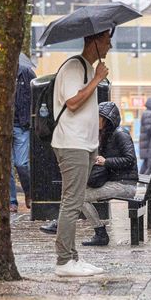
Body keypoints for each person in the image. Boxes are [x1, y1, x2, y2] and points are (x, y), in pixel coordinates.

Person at [51, 29, 111, 277]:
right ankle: (64, 260)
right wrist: (97, 79)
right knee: (72, 201)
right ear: (94, 42)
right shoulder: (74, 66)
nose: (109, 46)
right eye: (106, 41)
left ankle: (72, 257)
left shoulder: (86, 67)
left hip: (84, 144)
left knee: (75, 200)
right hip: (71, 143)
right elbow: (73, 103)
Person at [79, 101, 139, 246]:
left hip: (125, 185)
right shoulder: (107, 135)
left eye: (98, 117)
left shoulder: (120, 134)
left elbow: (130, 159)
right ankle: (62, 222)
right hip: (118, 181)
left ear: (107, 119)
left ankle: (100, 233)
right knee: (79, 192)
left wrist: (106, 161)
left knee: (80, 198)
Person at [10, 59, 36, 213]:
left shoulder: (26, 73)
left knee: (21, 164)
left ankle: (29, 193)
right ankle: (11, 201)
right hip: (3, 127)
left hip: (21, 125)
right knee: (6, 166)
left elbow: (37, 96)